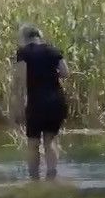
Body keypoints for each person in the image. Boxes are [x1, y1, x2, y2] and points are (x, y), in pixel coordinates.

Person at [8, 24, 69, 180]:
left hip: (37, 102)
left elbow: (21, 81)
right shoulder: (53, 50)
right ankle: (51, 177)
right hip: (56, 100)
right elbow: (65, 73)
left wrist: (18, 107)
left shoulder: (24, 53)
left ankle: (34, 180)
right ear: (39, 36)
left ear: (24, 38)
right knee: (50, 140)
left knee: (33, 142)